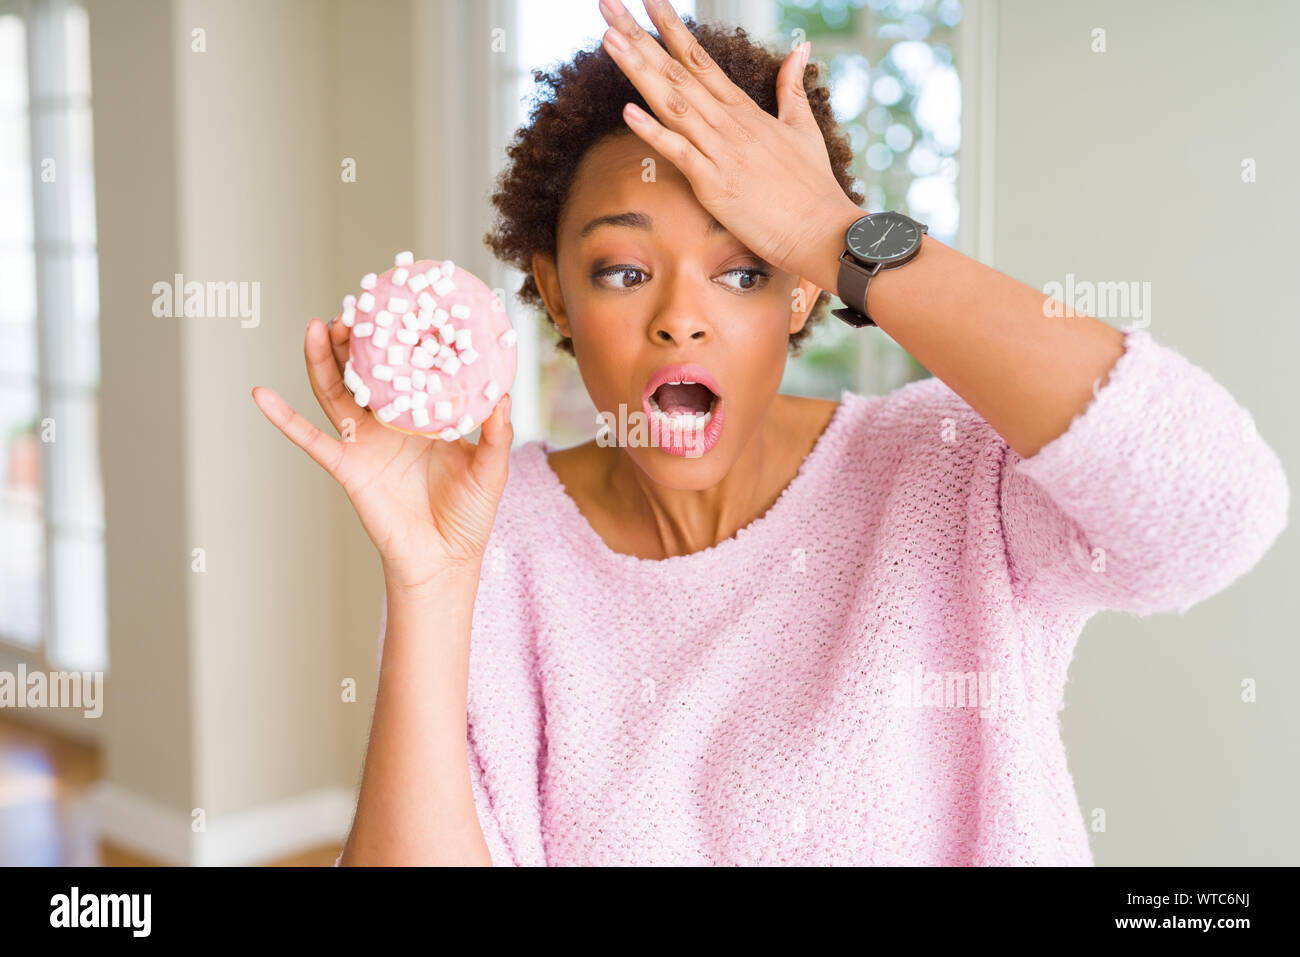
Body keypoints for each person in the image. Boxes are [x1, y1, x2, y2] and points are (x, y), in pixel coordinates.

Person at [251, 2, 1289, 865]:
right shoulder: (491, 540)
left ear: (801, 294)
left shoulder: (951, 473)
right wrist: (431, 587)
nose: (681, 317)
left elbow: (1219, 511)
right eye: (623, 270)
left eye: (746, 269)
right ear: (554, 295)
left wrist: (839, 236)